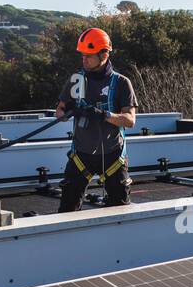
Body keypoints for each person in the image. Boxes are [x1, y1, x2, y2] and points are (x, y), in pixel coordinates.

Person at [54, 27, 138, 211]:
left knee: (120, 211)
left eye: (88, 56)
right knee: (67, 210)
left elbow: (130, 120)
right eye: (82, 55)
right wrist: (68, 111)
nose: (83, 59)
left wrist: (104, 115)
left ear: (104, 54)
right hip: (80, 155)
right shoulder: (77, 80)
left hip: (113, 156)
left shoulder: (121, 83)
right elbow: (59, 113)